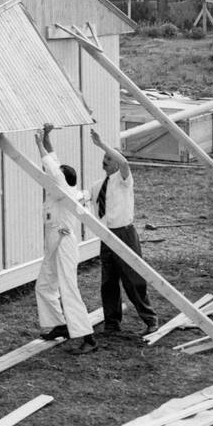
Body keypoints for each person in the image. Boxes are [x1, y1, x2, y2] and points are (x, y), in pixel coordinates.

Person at [34, 123, 96, 353]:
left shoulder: (62, 190)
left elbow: (51, 167)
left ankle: (87, 337)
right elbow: (54, 161)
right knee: (44, 285)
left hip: (64, 242)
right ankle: (58, 325)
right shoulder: (64, 187)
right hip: (53, 243)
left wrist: (39, 142)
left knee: (68, 289)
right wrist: (48, 137)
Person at [88, 129, 156, 335]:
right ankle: (112, 322)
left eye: (109, 158)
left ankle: (150, 319)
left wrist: (102, 144)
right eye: (104, 158)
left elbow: (125, 164)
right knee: (108, 281)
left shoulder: (124, 180)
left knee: (133, 279)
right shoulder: (96, 186)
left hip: (124, 234)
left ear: (117, 162)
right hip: (106, 236)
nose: (105, 161)